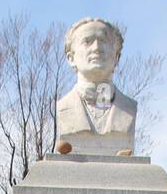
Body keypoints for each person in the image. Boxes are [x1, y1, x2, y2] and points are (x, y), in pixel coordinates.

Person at [55, 17, 137, 155]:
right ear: (71, 58)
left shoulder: (129, 108)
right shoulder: (63, 106)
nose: (97, 48)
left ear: (116, 56)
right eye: (87, 41)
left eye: (104, 41)